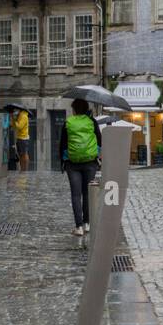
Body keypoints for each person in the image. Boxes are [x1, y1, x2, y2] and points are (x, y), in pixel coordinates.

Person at [60, 99, 101, 235]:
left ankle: (78, 227)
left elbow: (63, 144)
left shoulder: (68, 122)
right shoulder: (92, 122)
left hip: (73, 164)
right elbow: (99, 141)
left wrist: (64, 160)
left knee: (76, 195)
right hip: (90, 162)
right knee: (87, 193)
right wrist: (96, 156)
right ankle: (87, 223)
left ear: (75, 109)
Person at [14, 107, 31, 172]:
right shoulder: (19, 116)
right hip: (19, 137)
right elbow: (14, 125)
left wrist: (15, 120)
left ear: (20, 110)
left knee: (24, 153)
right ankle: (22, 169)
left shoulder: (24, 116)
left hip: (23, 138)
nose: (15, 111)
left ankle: (25, 169)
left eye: (16, 110)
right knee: (20, 154)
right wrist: (13, 119)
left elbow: (19, 126)